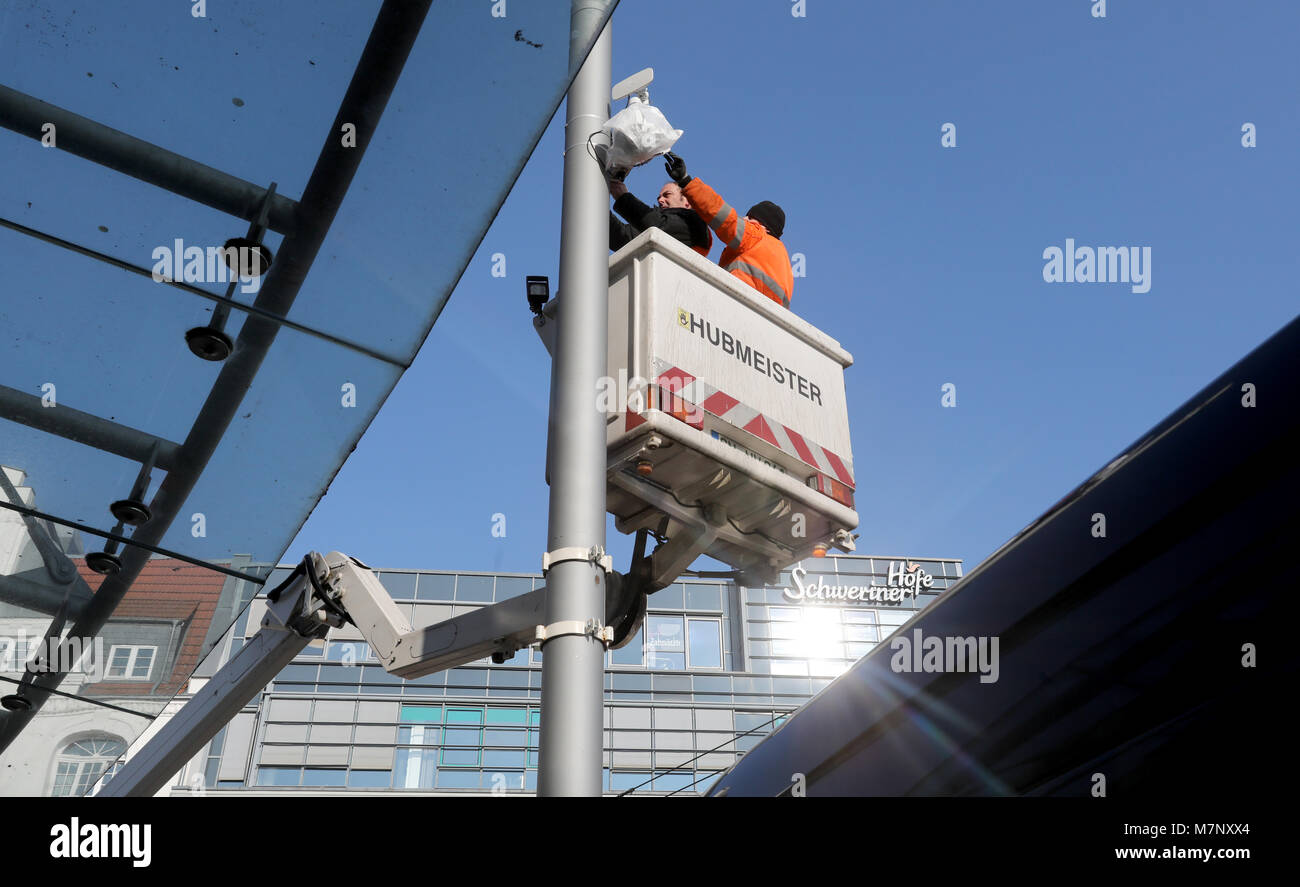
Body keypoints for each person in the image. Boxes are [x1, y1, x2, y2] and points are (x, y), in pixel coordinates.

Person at [662, 152, 793, 309]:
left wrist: (686, 181)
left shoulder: (756, 236)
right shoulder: (785, 266)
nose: (744, 219)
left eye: (749, 217)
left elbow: (720, 214)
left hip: (736, 307)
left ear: (762, 224)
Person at [608, 178, 712, 257]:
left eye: (667, 195)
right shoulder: (654, 227)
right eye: (659, 197)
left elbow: (660, 225)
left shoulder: (695, 223)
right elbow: (621, 236)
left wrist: (622, 196)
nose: (660, 200)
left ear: (687, 201)